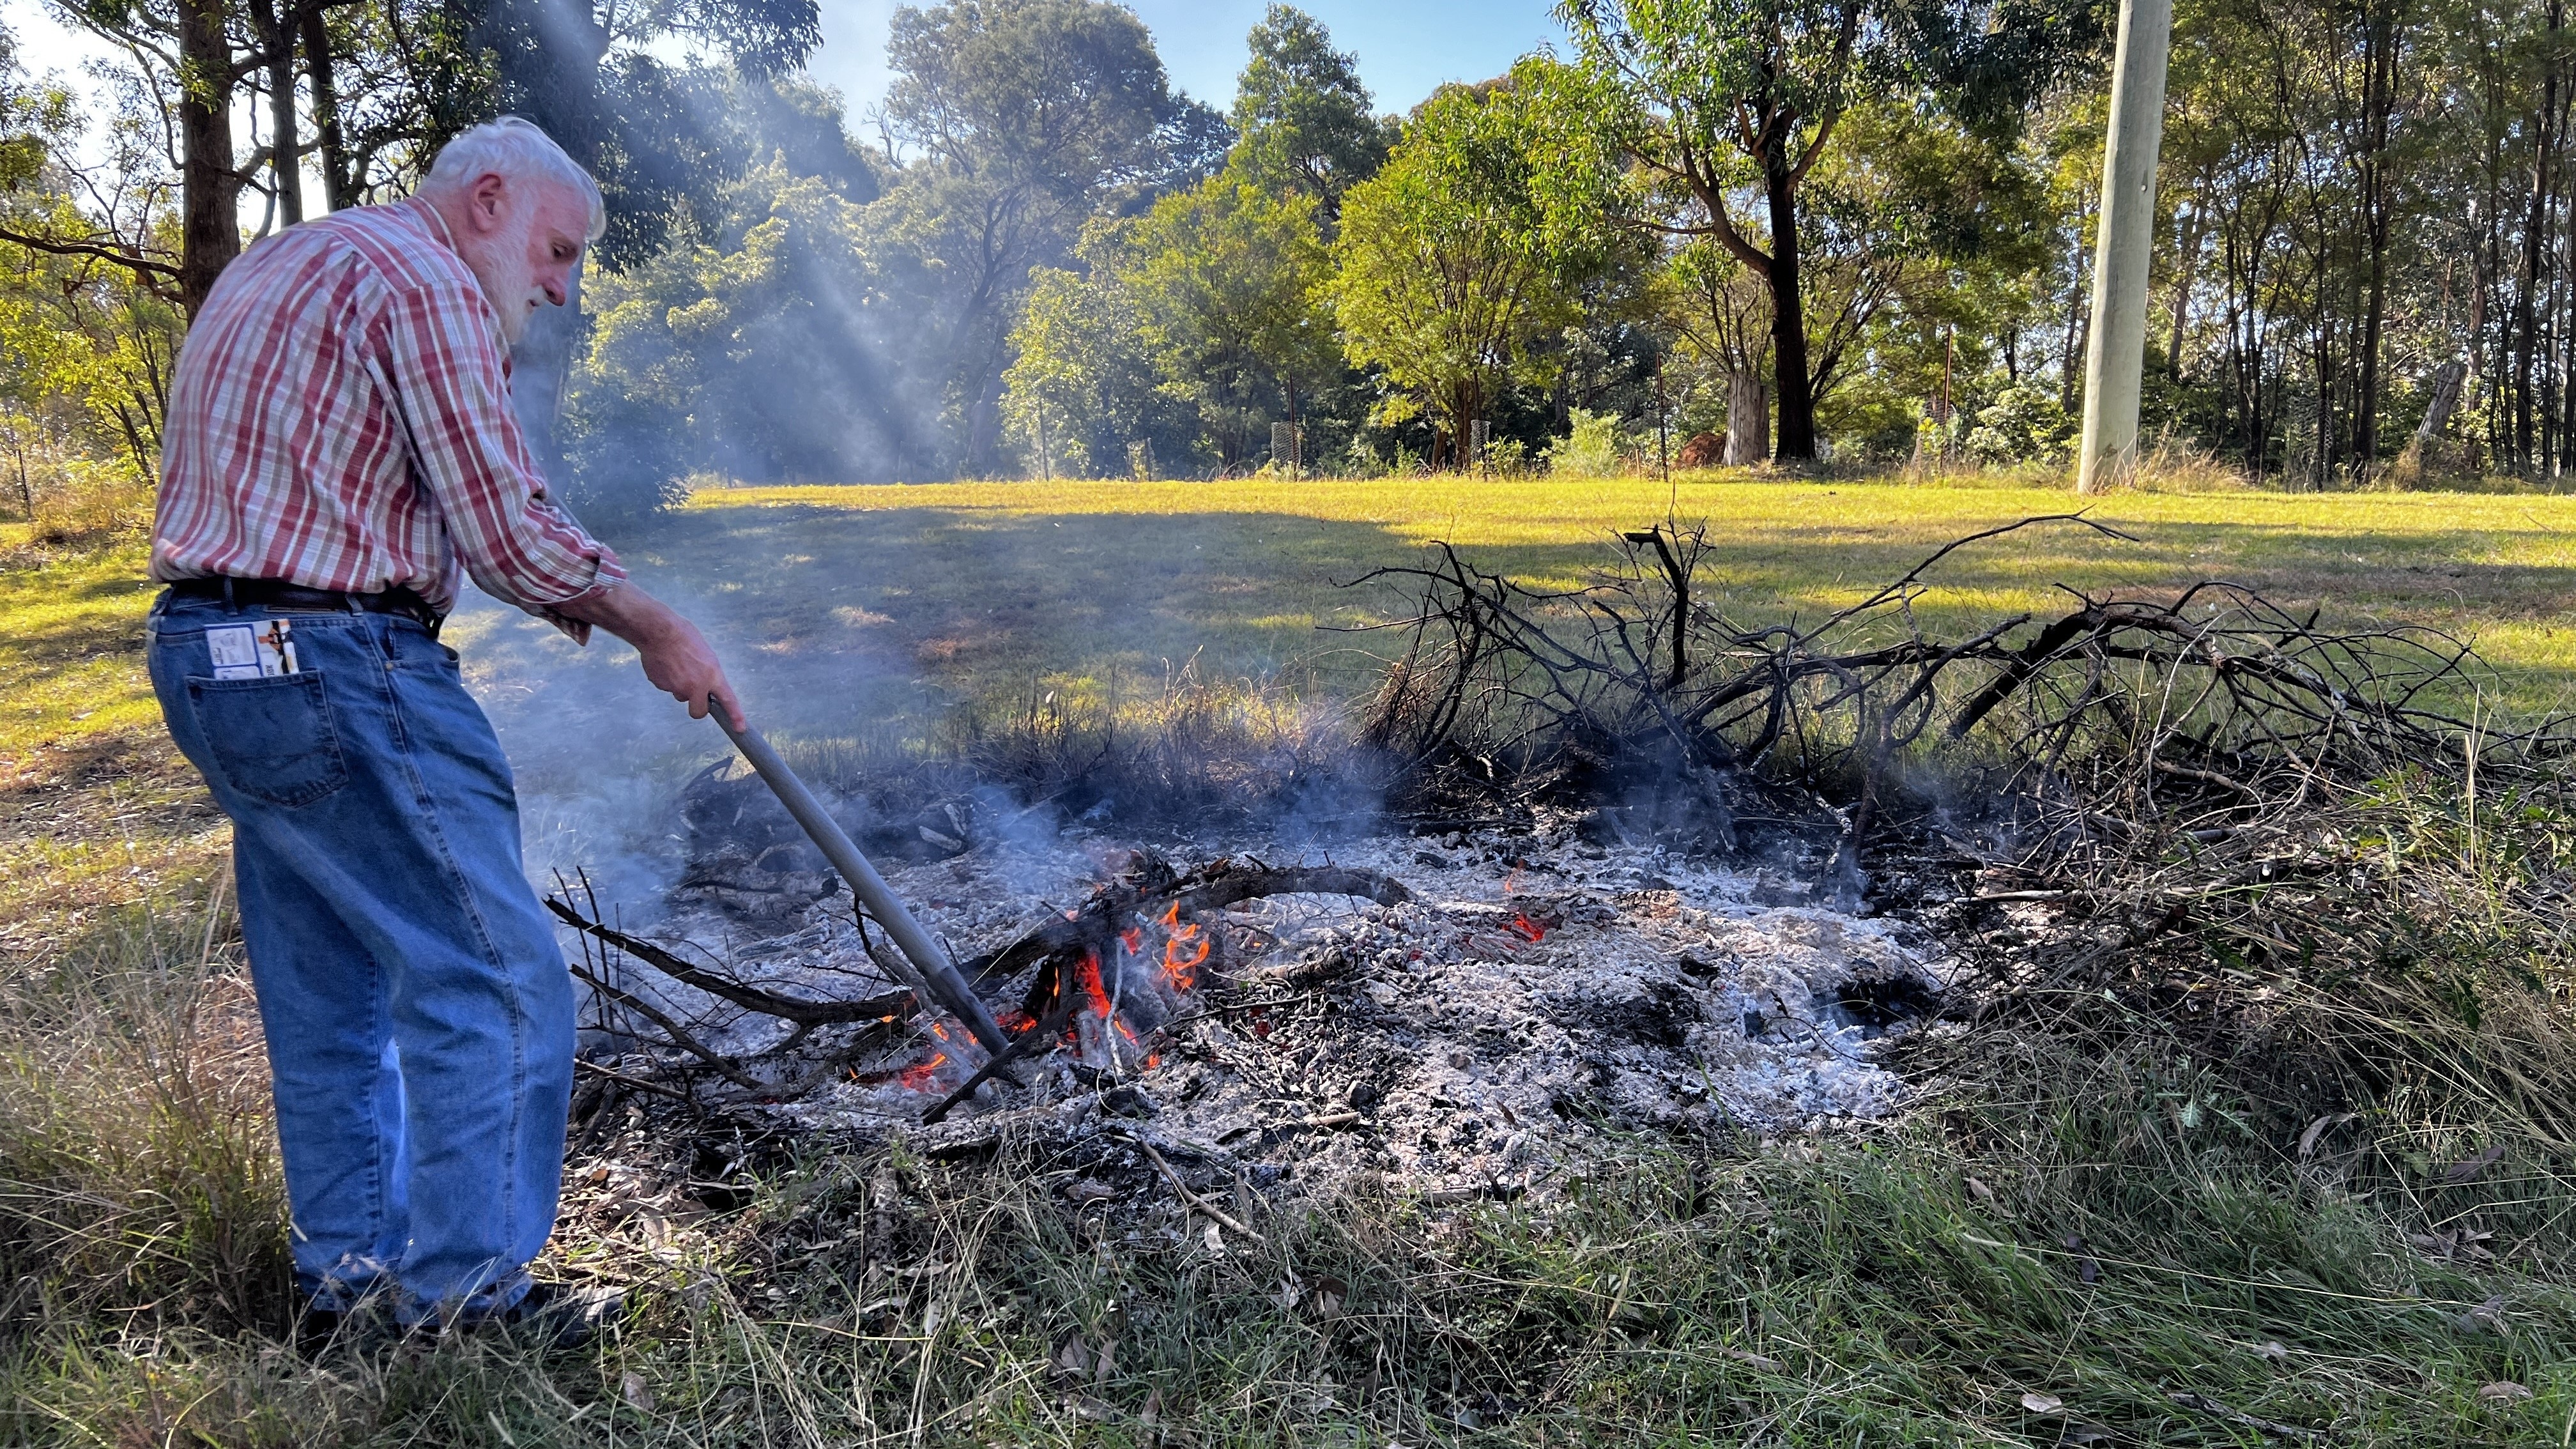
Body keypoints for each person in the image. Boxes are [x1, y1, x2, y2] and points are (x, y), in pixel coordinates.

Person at [143, 116, 742, 1344]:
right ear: (486, 200)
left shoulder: (294, 258)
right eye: (559, 252)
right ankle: (469, 1302)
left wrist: (554, 590)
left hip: (214, 661)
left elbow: (351, 487)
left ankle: (345, 1284)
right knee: (498, 974)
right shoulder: (425, 279)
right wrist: (652, 624)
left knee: (330, 990)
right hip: (338, 666)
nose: (559, 288)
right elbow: (507, 527)